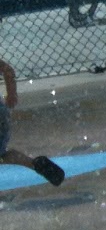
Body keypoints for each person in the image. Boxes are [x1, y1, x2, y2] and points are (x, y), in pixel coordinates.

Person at [1, 56, 66, 186]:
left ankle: (35, 164)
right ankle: (35, 164)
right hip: (2, 114)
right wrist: (12, 95)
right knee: (2, 154)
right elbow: (8, 70)